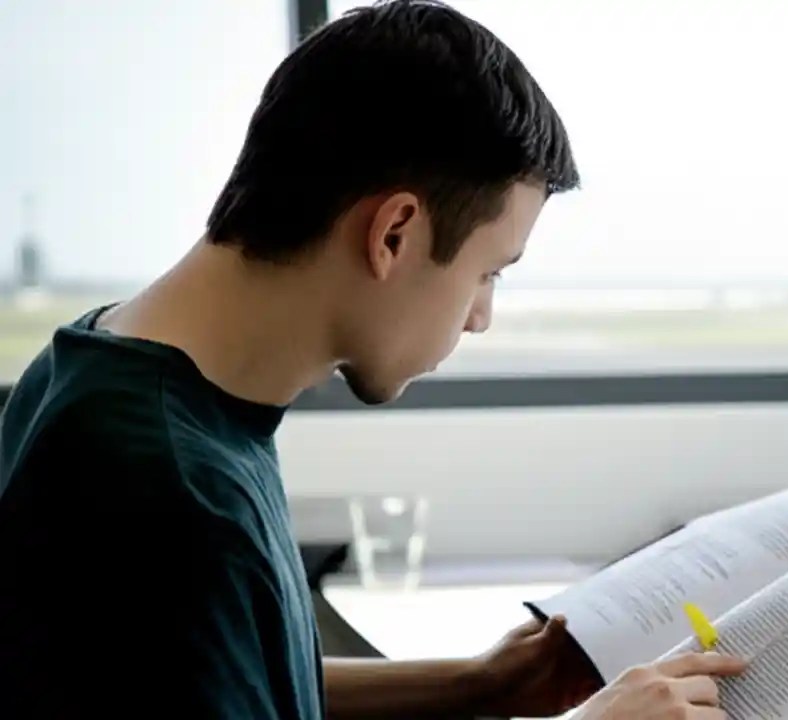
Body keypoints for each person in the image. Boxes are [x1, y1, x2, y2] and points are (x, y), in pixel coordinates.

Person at [0, 1, 746, 717]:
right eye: (488, 273)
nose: (481, 316)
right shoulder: (174, 492)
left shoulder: (104, 364)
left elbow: (225, 677)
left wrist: (481, 685)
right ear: (394, 233)